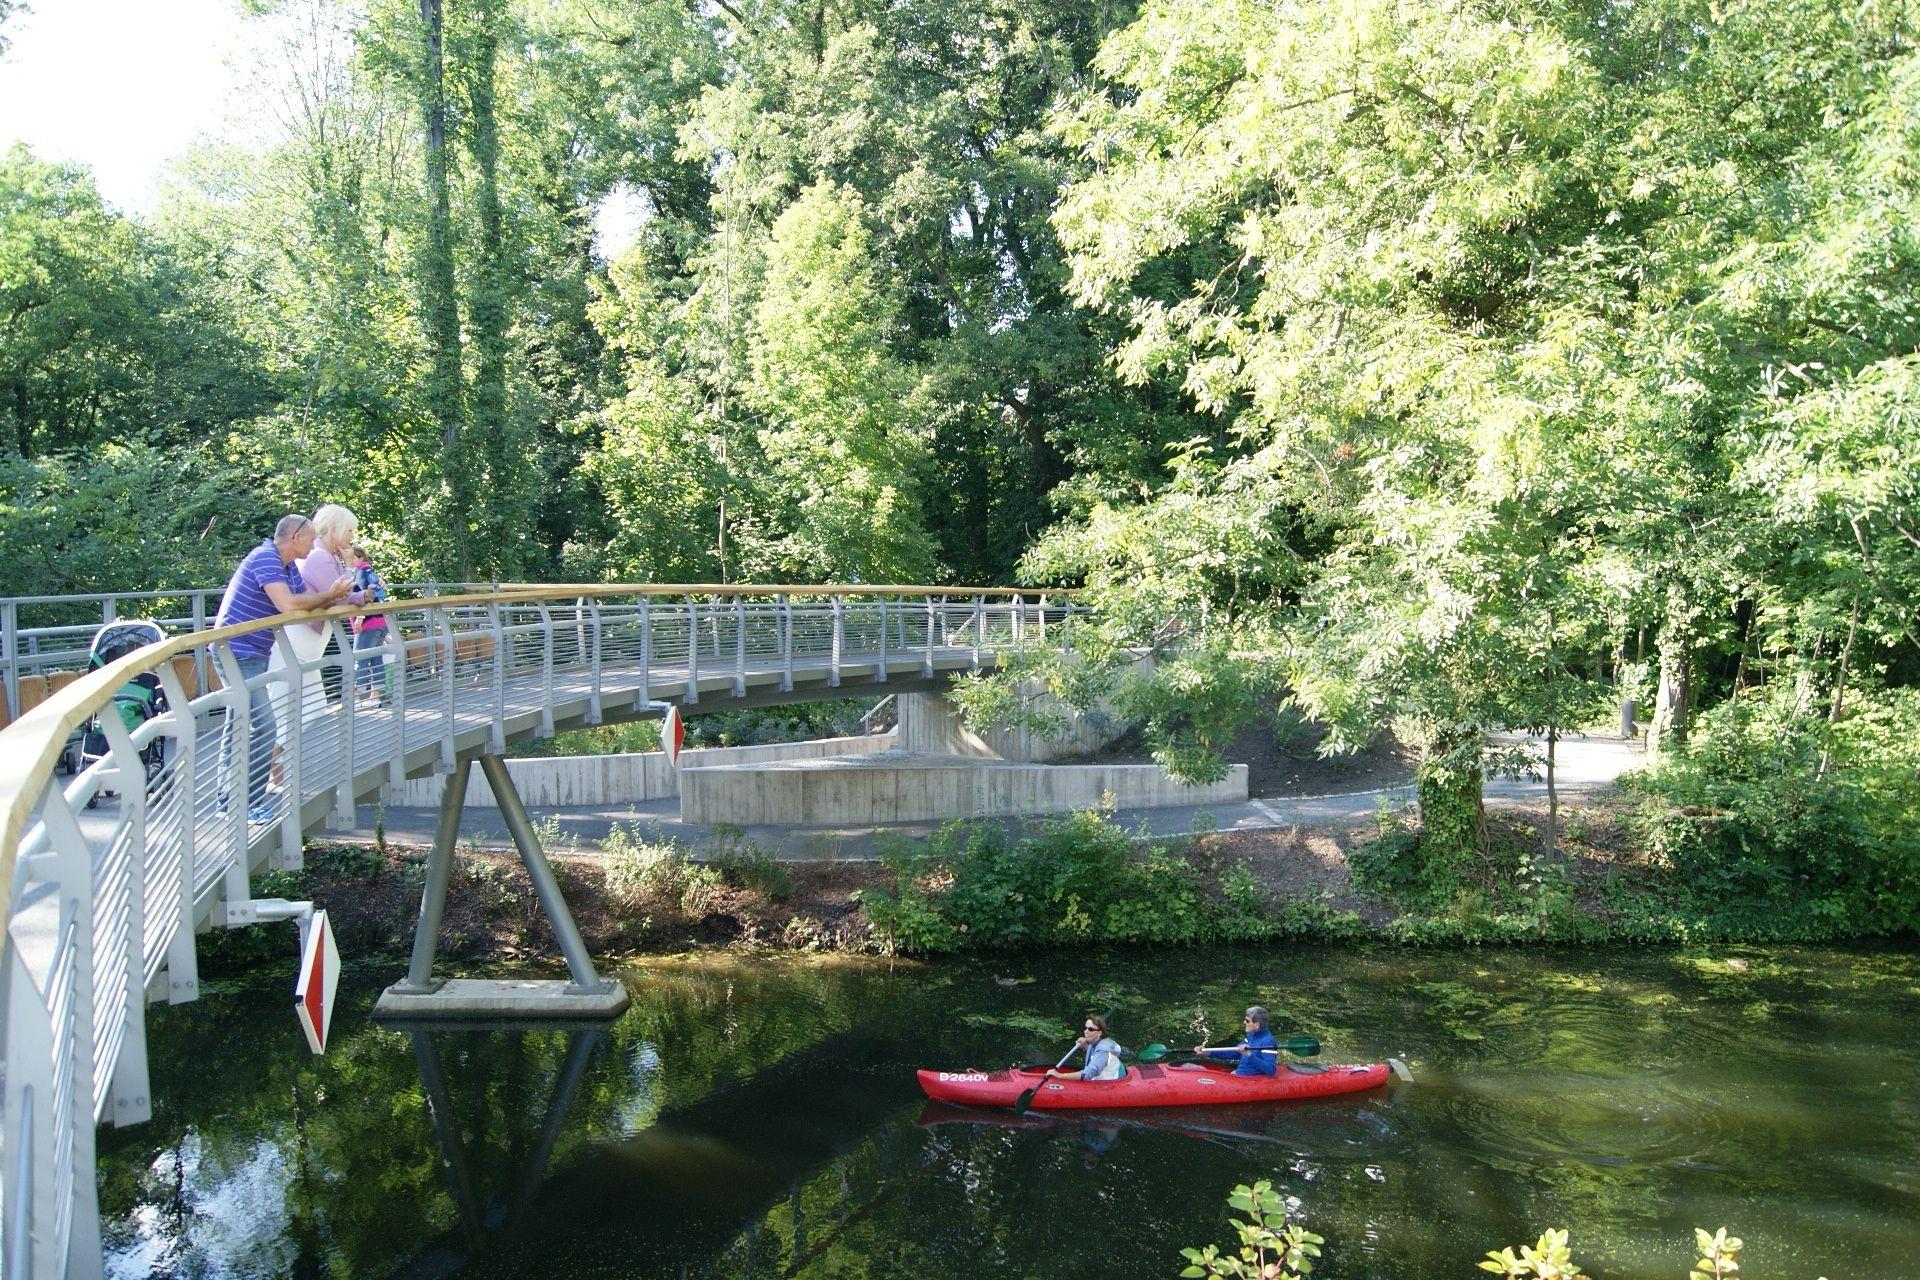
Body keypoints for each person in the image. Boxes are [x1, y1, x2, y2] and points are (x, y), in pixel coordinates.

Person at [214, 514, 351, 820]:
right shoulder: (265, 558)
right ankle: (248, 803)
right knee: (264, 726)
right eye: (311, 538)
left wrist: (336, 596)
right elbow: (288, 605)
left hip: (252, 652)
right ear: (295, 538)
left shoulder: (287, 566)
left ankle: (227, 802)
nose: (314, 544)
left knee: (237, 726)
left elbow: (305, 598)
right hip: (236, 652)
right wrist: (330, 595)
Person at [293, 504, 367, 707]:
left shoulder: (329, 557)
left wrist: (361, 597)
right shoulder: (319, 556)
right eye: (349, 530)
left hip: (309, 640)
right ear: (334, 529)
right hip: (301, 639)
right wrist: (351, 568)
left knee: (310, 708)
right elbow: (340, 597)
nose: (351, 536)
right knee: (304, 708)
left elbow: (343, 595)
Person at [349, 543, 392, 702]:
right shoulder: (370, 572)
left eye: (352, 557)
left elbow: (366, 596)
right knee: (376, 660)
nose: (348, 560)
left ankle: (356, 697)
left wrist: (360, 619)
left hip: (368, 623)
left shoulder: (361, 573)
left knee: (360, 660)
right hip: (380, 622)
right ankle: (375, 697)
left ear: (360, 557)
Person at [1194, 1006, 1278, 1077]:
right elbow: (1234, 1053)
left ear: (1257, 1024)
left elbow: (1271, 1070)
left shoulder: (1268, 1041)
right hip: (1238, 1076)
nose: (1244, 1022)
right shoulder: (1250, 1037)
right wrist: (1209, 1052)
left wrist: (1249, 1054)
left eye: (1247, 1020)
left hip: (1247, 1081)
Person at [1047, 1014, 1126, 1082]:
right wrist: (1085, 1047)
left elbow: (1088, 1074)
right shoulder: (1094, 1042)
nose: (1086, 1031)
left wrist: (1060, 1076)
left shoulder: (1103, 1050)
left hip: (1114, 1082)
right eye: (1085, 1028)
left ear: (1100, 1032)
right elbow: (1095, 1053)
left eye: (1091, 1029)